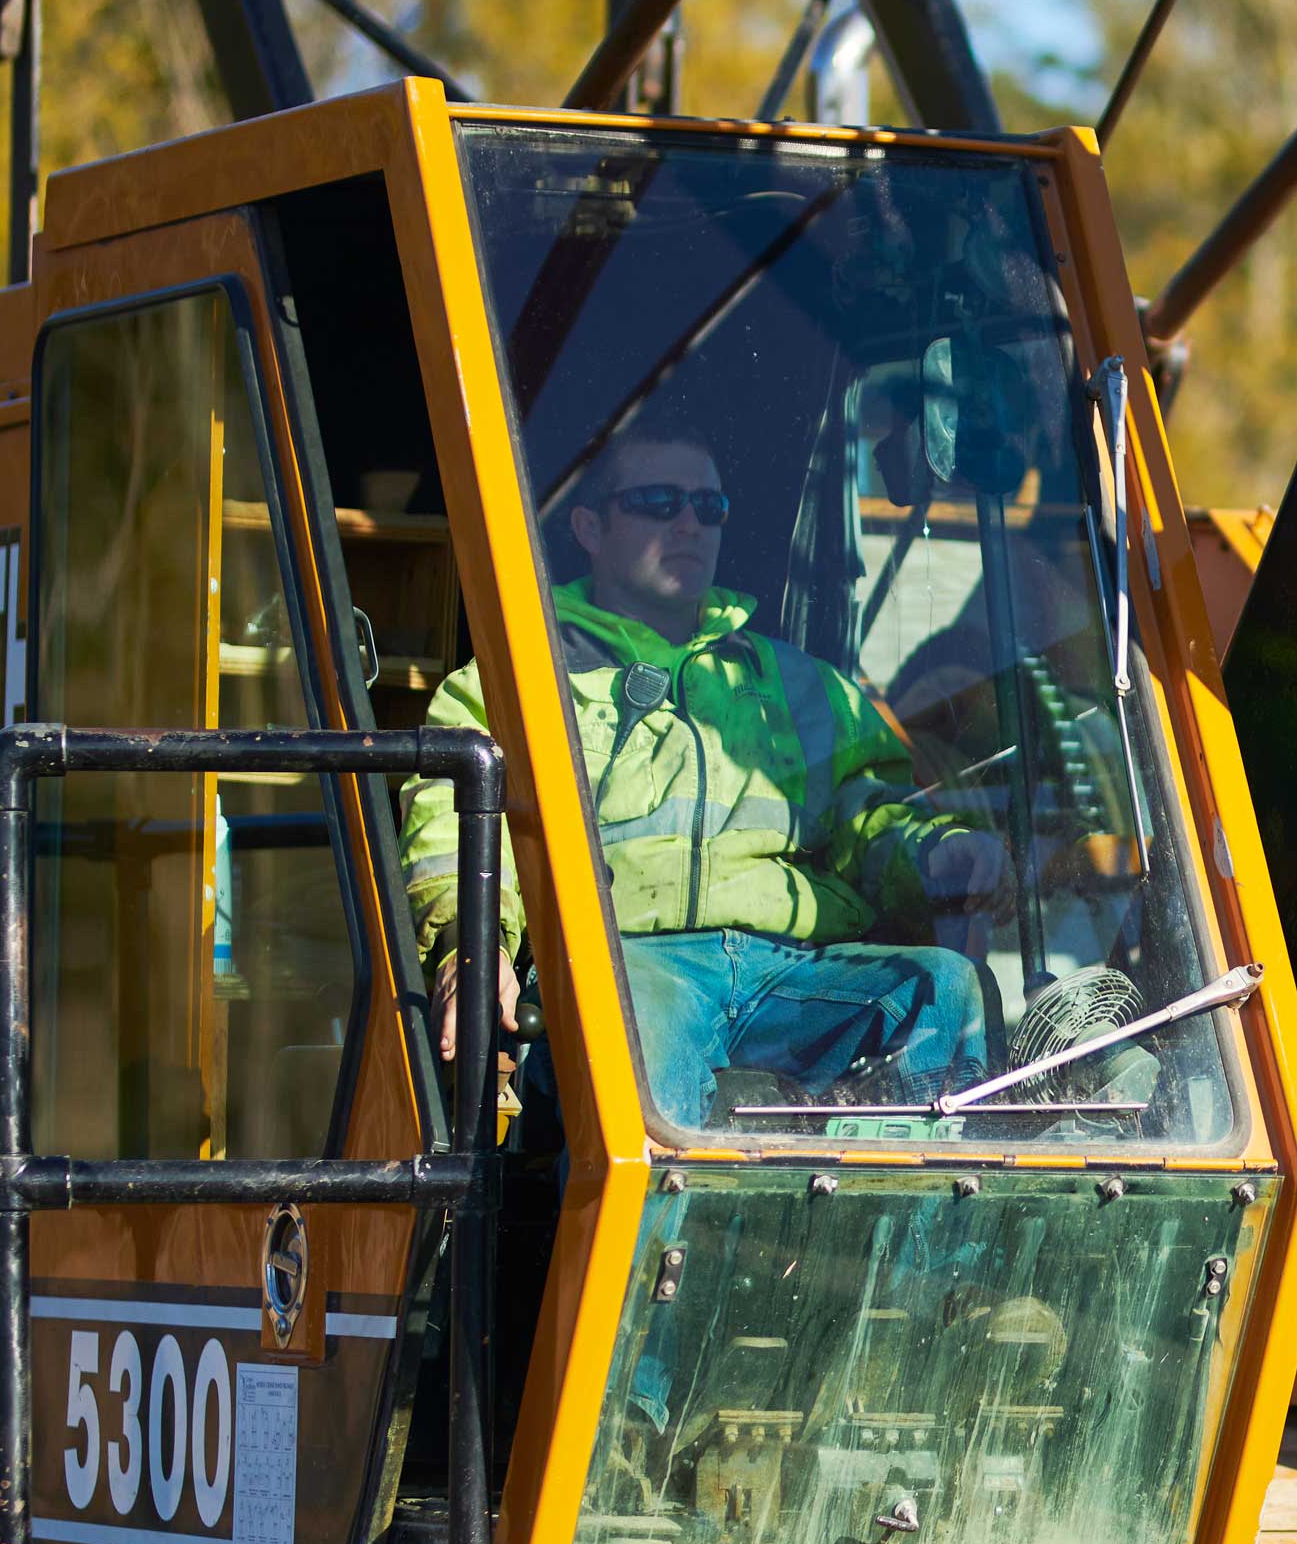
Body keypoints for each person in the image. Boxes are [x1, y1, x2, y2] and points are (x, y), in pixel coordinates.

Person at [402, 423, 1006, 1114]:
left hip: (792, 968)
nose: (688, 523)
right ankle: (653, 1194)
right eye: (658, 503)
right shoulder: (514, 683)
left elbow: (866, 811)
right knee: (636, 1037)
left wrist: (935, 850)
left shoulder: (802, 685)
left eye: (708, 507)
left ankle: (905, 1186)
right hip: (627, 960)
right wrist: (470, 951)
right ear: (590, 528)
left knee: (940, 989)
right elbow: (453, 829)